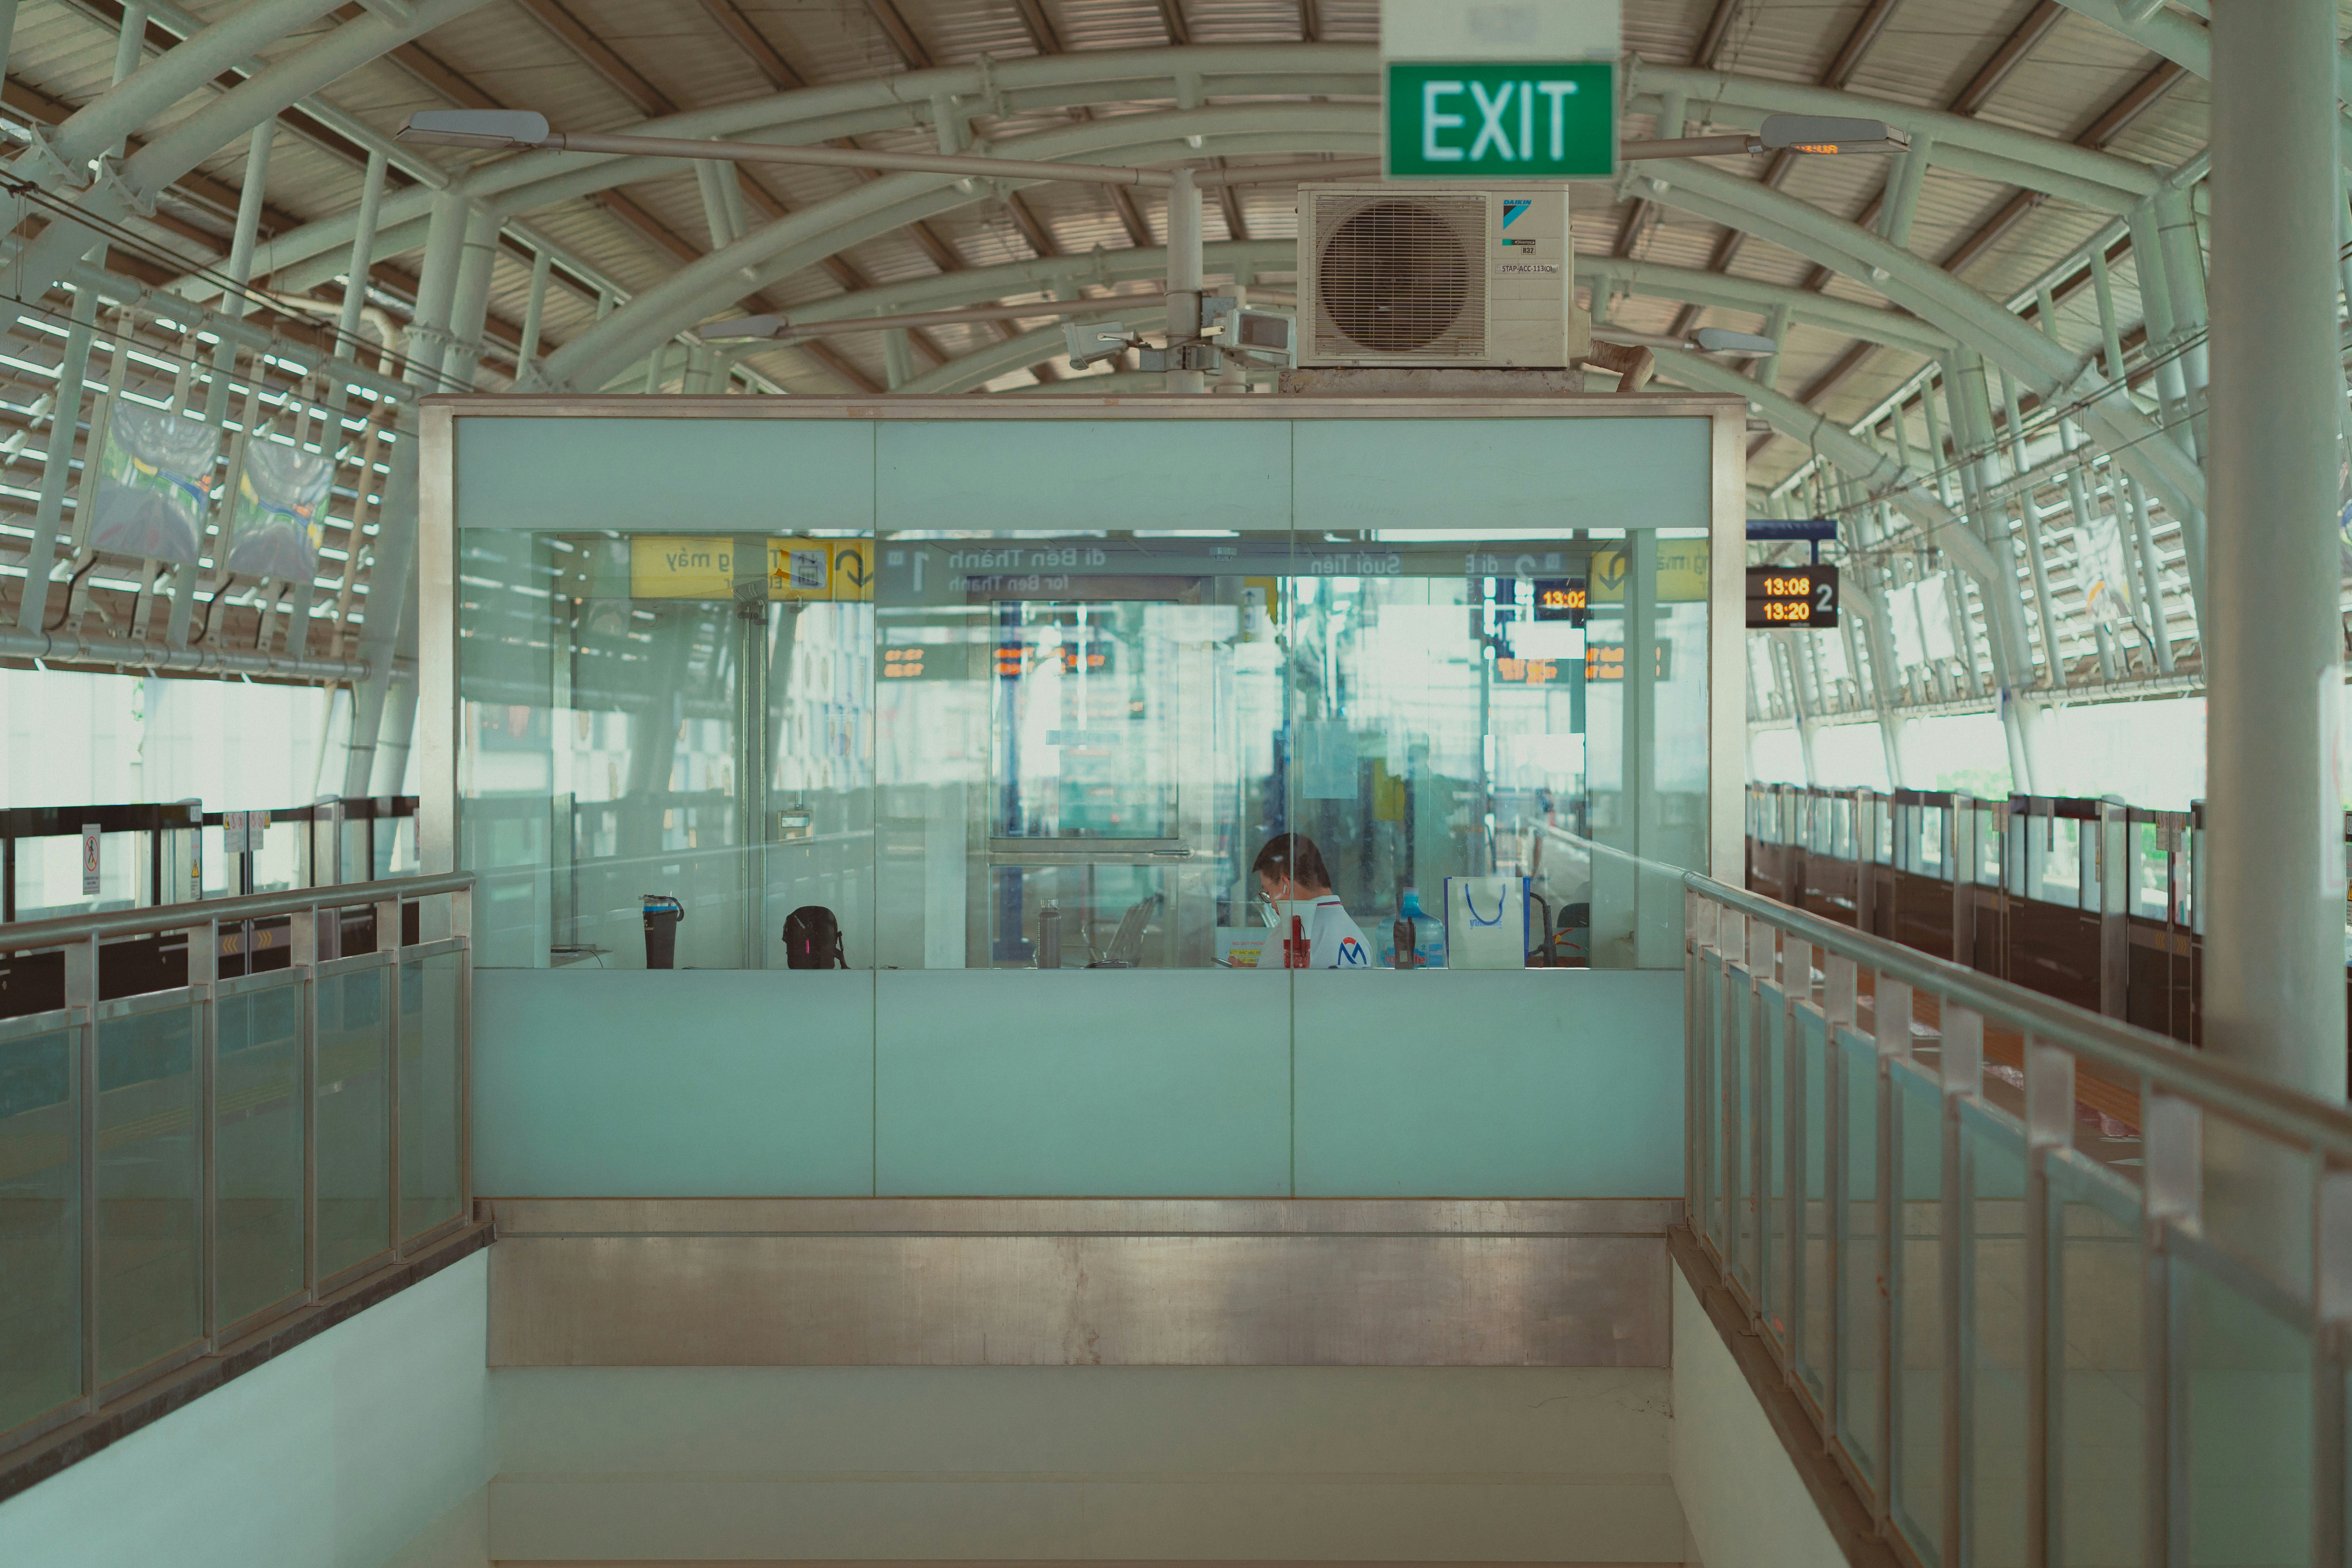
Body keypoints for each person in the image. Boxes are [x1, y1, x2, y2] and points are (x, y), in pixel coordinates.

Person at [1252, 833, 1370, 968]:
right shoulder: (1359, 938)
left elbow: (1265, 987)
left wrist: (1242, 976)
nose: (1272, 905)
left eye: (1268, 893)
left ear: (1286, 884)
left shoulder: (1289, 938)